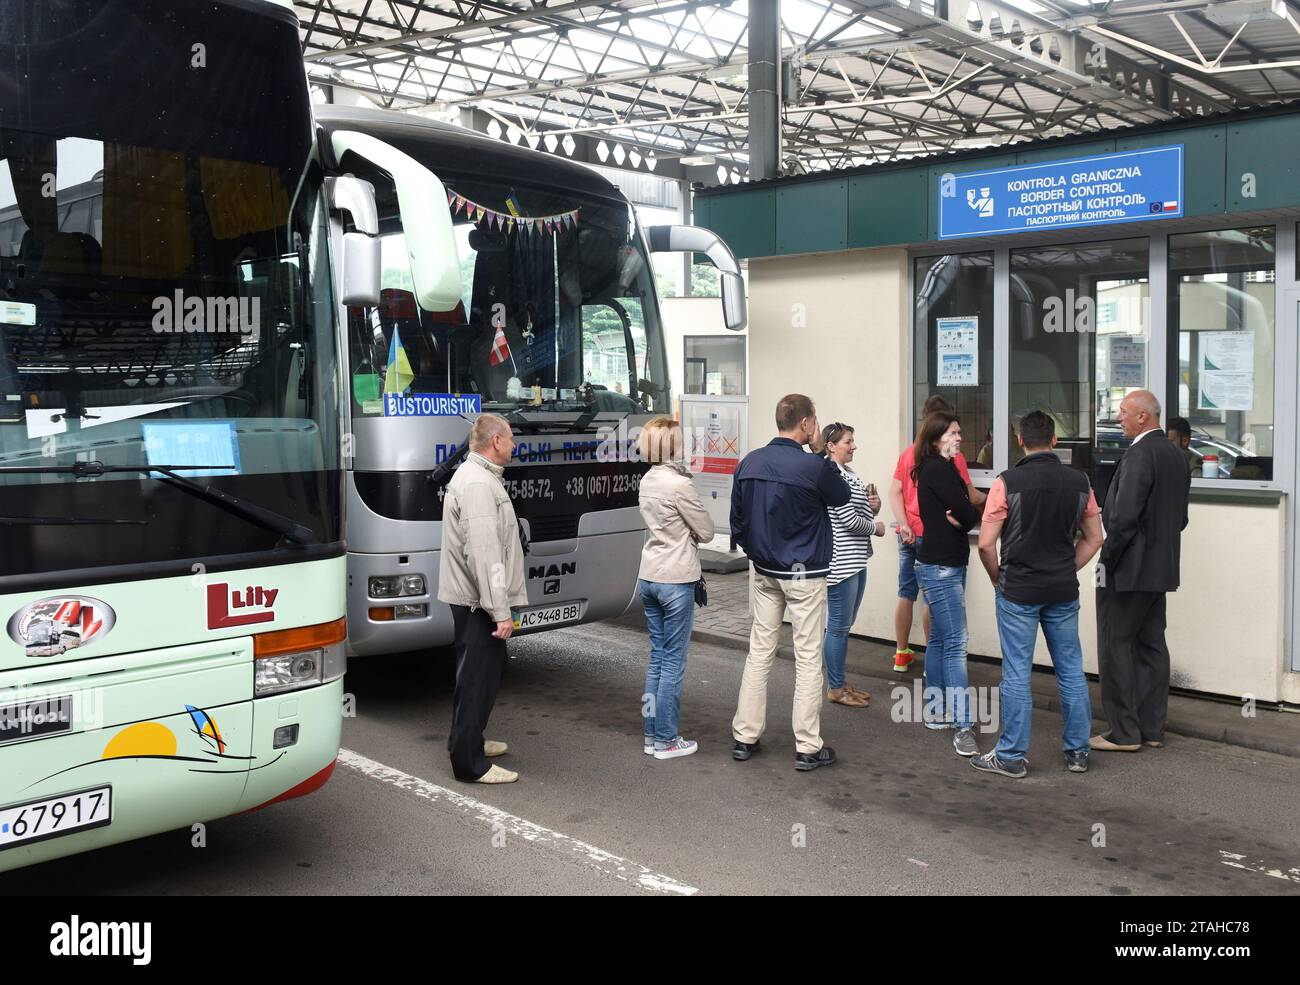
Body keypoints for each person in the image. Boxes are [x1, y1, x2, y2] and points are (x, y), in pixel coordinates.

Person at [972, 411, 1104, 779]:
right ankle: (1078, 752)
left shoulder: (1006, 482)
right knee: (1070, 670)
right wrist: (1067, 569)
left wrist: (999, 580)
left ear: (1019, 441)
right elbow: (1095, 538)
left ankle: (1012, 756)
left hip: (1018, 591)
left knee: (1017, 672)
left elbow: (985, 545)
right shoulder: (1080, 482)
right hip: (1062, 590)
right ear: (1055, 441)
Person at [729, 393, 850, 771]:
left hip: (765, 572)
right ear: (805, 424)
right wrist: (821, 454)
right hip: (805, 576)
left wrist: (759, 555)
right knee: (808, 657)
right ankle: (807, 746)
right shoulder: (813, 467)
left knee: (759, 653)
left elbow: (737, 524)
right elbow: (842, 494)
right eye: (814, 421)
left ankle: (744, 737)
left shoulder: (750, 462)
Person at [1093, 390, 1191, 753]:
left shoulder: (1139, 455)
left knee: (1115, 645)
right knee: (1152, 647)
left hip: (1127, 573)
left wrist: (1106, 563)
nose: (1118, 418)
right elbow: (1179, 519)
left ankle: (1123, 733)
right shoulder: (1178, 457)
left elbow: (1121, 519)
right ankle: (1152, 729)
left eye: (1123, 412)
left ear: (1143, 418)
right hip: (1160, 570)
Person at [437, 413, 528, 784]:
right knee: (478, 678)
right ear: (495, 442)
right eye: (510, 438)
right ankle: (469, 764)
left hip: (475, 600)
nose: (514, 445)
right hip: (480, 603)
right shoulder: (478, 484)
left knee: (478, 675)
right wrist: (500, 611)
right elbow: (485, 554)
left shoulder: (478, 477)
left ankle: (467, 739)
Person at [636, 417, 714, 760]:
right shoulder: (679, 485)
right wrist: (692, 530)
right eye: (679, 439)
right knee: (673, 664)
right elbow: (708, 530)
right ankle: (667, 740)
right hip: (676, 579)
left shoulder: (647, 480)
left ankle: (651, 735)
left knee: (656, 660)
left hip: (649, 574)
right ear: (670, 446)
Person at [890, 395, 986, 673]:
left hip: (908, 533)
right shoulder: (948, 459)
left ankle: (901, 652)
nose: (957, 436)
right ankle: (938, 652)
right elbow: (966, 496)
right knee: (933, 601)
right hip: (932, 536)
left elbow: (894, 491)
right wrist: (992, 500)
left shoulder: (910, 453)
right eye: (953, 430)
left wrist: (903, 523)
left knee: (905, 592)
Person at [912, 411, 982, 758]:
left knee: (940, 639)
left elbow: (966, 512)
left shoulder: (941, 467)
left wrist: (965, 514)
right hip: (941, 568)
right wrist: (966, 515)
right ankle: (963, 724)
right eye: (954, 432)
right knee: (956, 643)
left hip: (942, 564)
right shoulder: (938, 469)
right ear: (938, 436)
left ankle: (936, 710)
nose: (959, 437)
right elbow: (968, 511)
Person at [820, 421, 884, 708]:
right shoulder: (832, 474)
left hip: (856, 558)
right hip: (842, 561)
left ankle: (840, 681)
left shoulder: (849, 473)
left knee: (844, 627)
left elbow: (859, 512)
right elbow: (847, 520)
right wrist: (876, 527)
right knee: (837, 627)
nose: (853, 445)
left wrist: (874, 507)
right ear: (831, 445)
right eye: (848, 441)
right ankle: (835, 688)